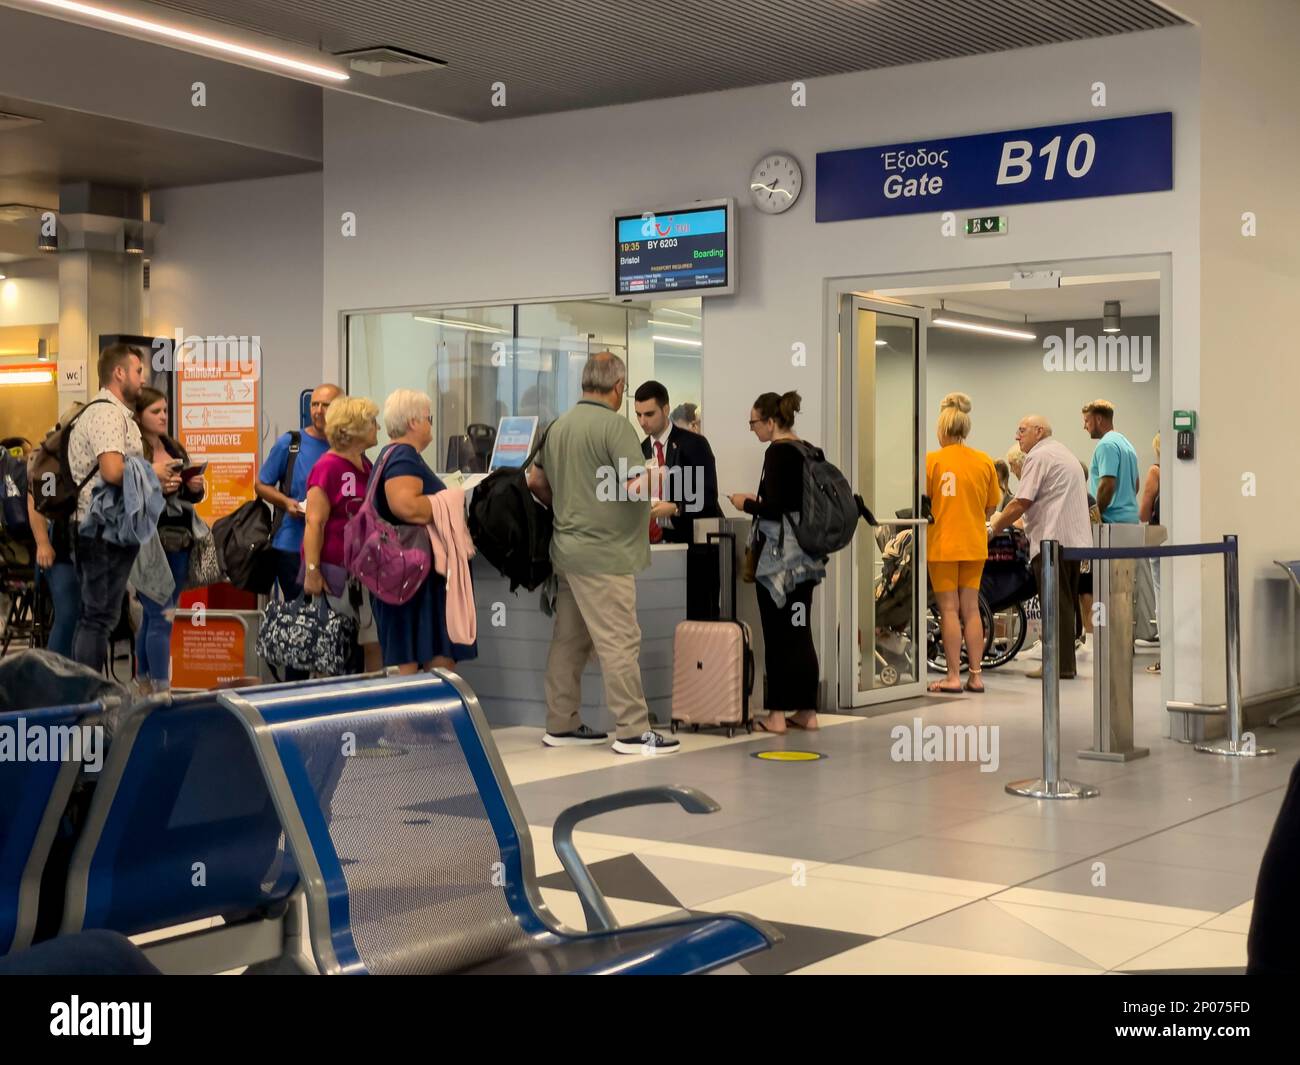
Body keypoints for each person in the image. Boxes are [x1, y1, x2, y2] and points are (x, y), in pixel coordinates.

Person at [526, 352, 679, 755]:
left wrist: (566, 505)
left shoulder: (557, 427)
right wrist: (657, 476)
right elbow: (633, 486)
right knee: (619, 641)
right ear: (618, 388)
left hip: (568, 552)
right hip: (605, 556)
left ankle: (560, 722)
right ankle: (632, 730)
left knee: (569, 641)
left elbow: (536, 480)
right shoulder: (615, 428)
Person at [67, 344, 173, 671]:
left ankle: (88, 694)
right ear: (119, 373)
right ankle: (87, 698)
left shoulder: (117, 415)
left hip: (110, 530)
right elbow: (113, 470)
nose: (144, 379)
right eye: (138, 371)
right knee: (97, 617)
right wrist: (150, 472)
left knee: (101, 616)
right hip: (99, 532)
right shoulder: (106, 414)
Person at [728, 390, 821, 732]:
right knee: (800, 630)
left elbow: (775, 508)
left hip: (779, 557)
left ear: (770, 421)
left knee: (777, 633)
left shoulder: (778, 453)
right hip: (807, 557)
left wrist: (745, 503)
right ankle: (808, 711)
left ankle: (778, 714)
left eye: (754, 422)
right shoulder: (809, 451)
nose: (752, 429)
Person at [370, 388, 477, 672]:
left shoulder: (391, 455)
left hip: (409, 577)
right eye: (429, 418)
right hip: (413, 577)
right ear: (414, 422)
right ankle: (413, 718)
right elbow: (406, 506)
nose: (431, 424)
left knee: (421, 654)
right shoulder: (403, 456)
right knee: (415, 658)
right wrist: (449, 501)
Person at [990, 415, 1093, 680]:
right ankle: (1065, 665)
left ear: (1039, 431)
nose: (1017, 436)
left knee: (1053, 604)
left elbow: (1021, 501)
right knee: (1064, 605)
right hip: (1073, 541)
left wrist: (995, 525)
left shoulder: (1039, 456)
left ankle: (1055, 665)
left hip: (1053, 542)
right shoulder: (1062, 452)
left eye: (1022, 430)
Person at [256, 383, 338, 680]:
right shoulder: (291, 443)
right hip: (291, 546)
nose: (318, 411)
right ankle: (294, 693)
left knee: (331, 627)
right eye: (315, 404)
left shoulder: (344, 448)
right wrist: (286, 502)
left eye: (326, 405)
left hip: (333, 551)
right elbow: (261, 484)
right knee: (301, 626)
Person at [923, 393, 1000, 694]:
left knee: (948, 609)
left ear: (942, 429)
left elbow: (922, 502)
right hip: (974, 544)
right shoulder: (984, 461)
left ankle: (953, 675)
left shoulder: (931, 461)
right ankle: (976, 676)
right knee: (971, 608)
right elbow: (991, 507)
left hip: (942, 544)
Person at [133, 387, 206, 693]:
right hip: (150, 541)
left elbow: (193, 497)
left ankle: (145, 682)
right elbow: (126, 495)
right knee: (160, 615)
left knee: (159, 616)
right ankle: (161, 688)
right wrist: (157, 488)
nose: (163, 416)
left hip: (179, 540)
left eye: (165, 410)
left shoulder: (173, 447)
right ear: (139, 416)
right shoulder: (133, 451)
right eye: (155, 411)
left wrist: (193, 486)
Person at [302, 395, 382, 674]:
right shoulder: (327, 467)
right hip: (333, 573)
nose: (378, 428)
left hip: (364, 571)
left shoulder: (366, 465)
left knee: (373, 641)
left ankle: (372, 705)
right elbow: (315, 523)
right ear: (355, 427)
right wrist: (312, 570)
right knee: (331, 642)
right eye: (372, 422)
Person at [634, 381, 721, 618]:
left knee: (699, 616)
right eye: (638, 415)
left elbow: (708, 495)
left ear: (665, 409)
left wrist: (675, 508)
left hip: (694, 547)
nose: (643, 422)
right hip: (657, 549)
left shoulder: (693, 444)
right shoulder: (639, 450)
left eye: (649, 414)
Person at [27, 405, 81, 657]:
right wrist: (42, 544)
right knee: (68, 614)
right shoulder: (50, 459)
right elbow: (37, 503)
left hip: (84, 546)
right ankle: (54, 679)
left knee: (85, 618)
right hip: (58, 546)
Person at [1082, 399, 1140, 524]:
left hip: (1111, 523)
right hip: (1130, 521)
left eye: (1087, 421)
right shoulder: (1127, 444)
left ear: (1098, 419)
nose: (1085, 426)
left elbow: (1107, 486)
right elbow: (1135, 485)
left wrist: (1096, 518)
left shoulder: (1106, 444)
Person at [1138, 432, 1162, 671]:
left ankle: (1166, 658)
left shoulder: (1155, 472)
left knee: (1161, 596)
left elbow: (1144, 513)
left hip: (1159, 540)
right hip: (1183, 540)